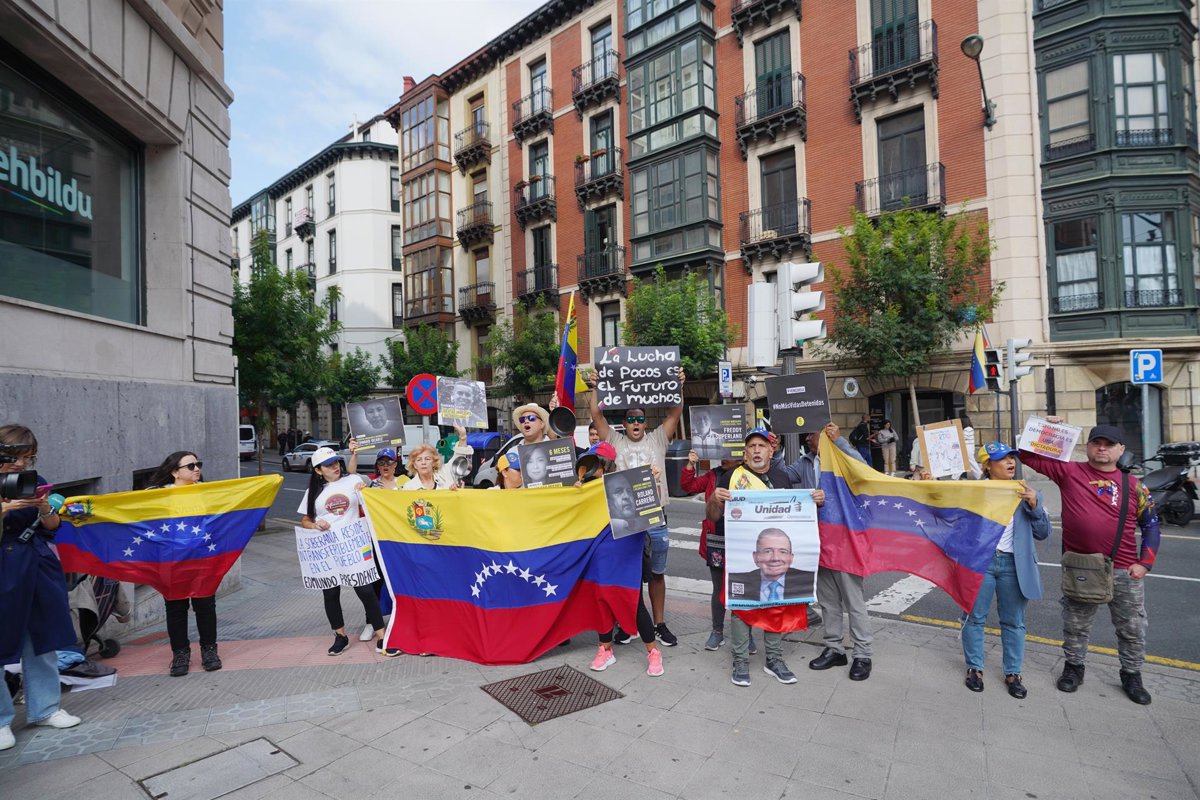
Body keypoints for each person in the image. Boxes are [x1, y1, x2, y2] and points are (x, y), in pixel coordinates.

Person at [1022, 421, 1161, 705]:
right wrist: (1047, 429)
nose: (1102, 448)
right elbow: (1026, 455)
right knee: (1075, 624)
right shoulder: (1069, 471)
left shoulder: (1135, 486)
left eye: (1109, 444)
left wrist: (1145, 563)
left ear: (1120, 450)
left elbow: (1152, 526)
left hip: (1123, 569)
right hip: (1080, 568)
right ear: (1087, 446)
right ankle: (1073, 668)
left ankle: (1132, 674)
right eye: (1097, 442)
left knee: (1132, 627)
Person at [586, 368, 686, 647]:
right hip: (625, 519)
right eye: (631, 419)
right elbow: (597, 416)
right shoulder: (615, 441)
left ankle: (659, 624)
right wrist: (596, 387)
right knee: (629, 574)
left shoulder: (657, 439)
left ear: (645, 422)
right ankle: (629, 623)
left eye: (640, 418)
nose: (636, 422)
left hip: (655, 517)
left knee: (656, 573)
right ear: (625, 424)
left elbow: (674, 414)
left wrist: (677, 384)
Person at [707, 428, 810, 687]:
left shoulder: (782, 477)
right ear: (745, 452)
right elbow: (712, 517)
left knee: (776, 602)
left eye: (761, 446)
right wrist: (714, 500)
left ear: (770, 451)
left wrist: (814, 500)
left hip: (773, 554)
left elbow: (794, 513)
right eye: (751, 446)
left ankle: (774, 659)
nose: (756, 450)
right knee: (742, 607)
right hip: (742, 554)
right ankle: (740, 659)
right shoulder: (731, 477)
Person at [0, 424, 81, 750]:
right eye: (16, 458)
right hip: (4, 567)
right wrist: (4, 510)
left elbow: (52, 527)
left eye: (28, 458)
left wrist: (44, 507)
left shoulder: (33, 480)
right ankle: (2, 722)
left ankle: (46, 709)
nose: (21, 465)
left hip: (37, 563)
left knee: (43, 641)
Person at [786, 422, 875, 681]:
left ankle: (863, 654)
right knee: (827, 601)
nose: (807, 438)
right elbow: (780, 475)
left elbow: (864, 470)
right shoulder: (804, 462)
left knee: (854, 601)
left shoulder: (841, 456)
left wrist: (841, 442)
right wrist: (769, 449)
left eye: (811, 433)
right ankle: (834, 648)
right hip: (819, 541)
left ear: (825, 435)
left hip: (845, 540)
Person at [961, 442, 1051, 698]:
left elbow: (1043, 533)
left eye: (1012, 457)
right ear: (987, 466)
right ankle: (974, 668)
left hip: (1014, 565)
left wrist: (1035, 505)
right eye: (1003, 459)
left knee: (1013, 622)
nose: (1011, 462)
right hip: (981, 564)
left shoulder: (1025, 492)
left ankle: (1013, 673)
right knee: (973, 617)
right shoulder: (973, 492)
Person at [298, 446, 397, 657]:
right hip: (329, 549)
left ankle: (381, 637)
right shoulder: (313, 493)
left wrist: (365, 489)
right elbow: (305, 520)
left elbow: (380, 491)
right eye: (328, 465)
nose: (334, 466)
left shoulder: (353, 481)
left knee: (366, 591)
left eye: (335, 462)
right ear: (318, 470)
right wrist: (315, 525)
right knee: (331, 592)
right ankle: (340, 636)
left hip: (354, 546)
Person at [580, 444, 664, 678]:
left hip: (627, 550)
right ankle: (605, 648)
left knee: (633, 600)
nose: (589, 468)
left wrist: (652, 481)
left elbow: (649, 511)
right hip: (601, 553)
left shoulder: (625, 482)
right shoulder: (585, 488)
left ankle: (653, 651)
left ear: (605, 465)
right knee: (602, 599)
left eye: (594, 463)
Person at [145, 451, 222, 677]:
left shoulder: (207, 493)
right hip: (171, 561)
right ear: (174, 472)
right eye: (190, 466)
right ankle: (180, 654)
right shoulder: (157, 495)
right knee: (176, 608)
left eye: (198, 464)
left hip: (201, 559)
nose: (196, 469)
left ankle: (209, 651)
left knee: (205, 605)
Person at [680, 449, 743, 651]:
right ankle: (717, 631)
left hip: (741, 541)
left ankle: (745, 634)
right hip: (716, 539)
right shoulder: (712, 475)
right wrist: (690, 464)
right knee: (718, 589)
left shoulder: (747, 475)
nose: (725, 457)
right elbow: (688, 486)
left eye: (730, 452)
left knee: (742, 589)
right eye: (722, 452)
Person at [728, 529, 814, 602]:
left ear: (791, 558)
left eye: (783, 552)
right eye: (767, 551)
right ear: (755, 556)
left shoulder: (808, 580)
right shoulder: (737, 581)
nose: (775, 558)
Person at [402, 428, 472, 491]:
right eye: (419, 460)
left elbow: (459, 457)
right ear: (414, 465)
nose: (423, 462)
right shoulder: (409, 487)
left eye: (427, 459)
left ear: (434, 462)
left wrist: (463, 437)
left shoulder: (445, 473)